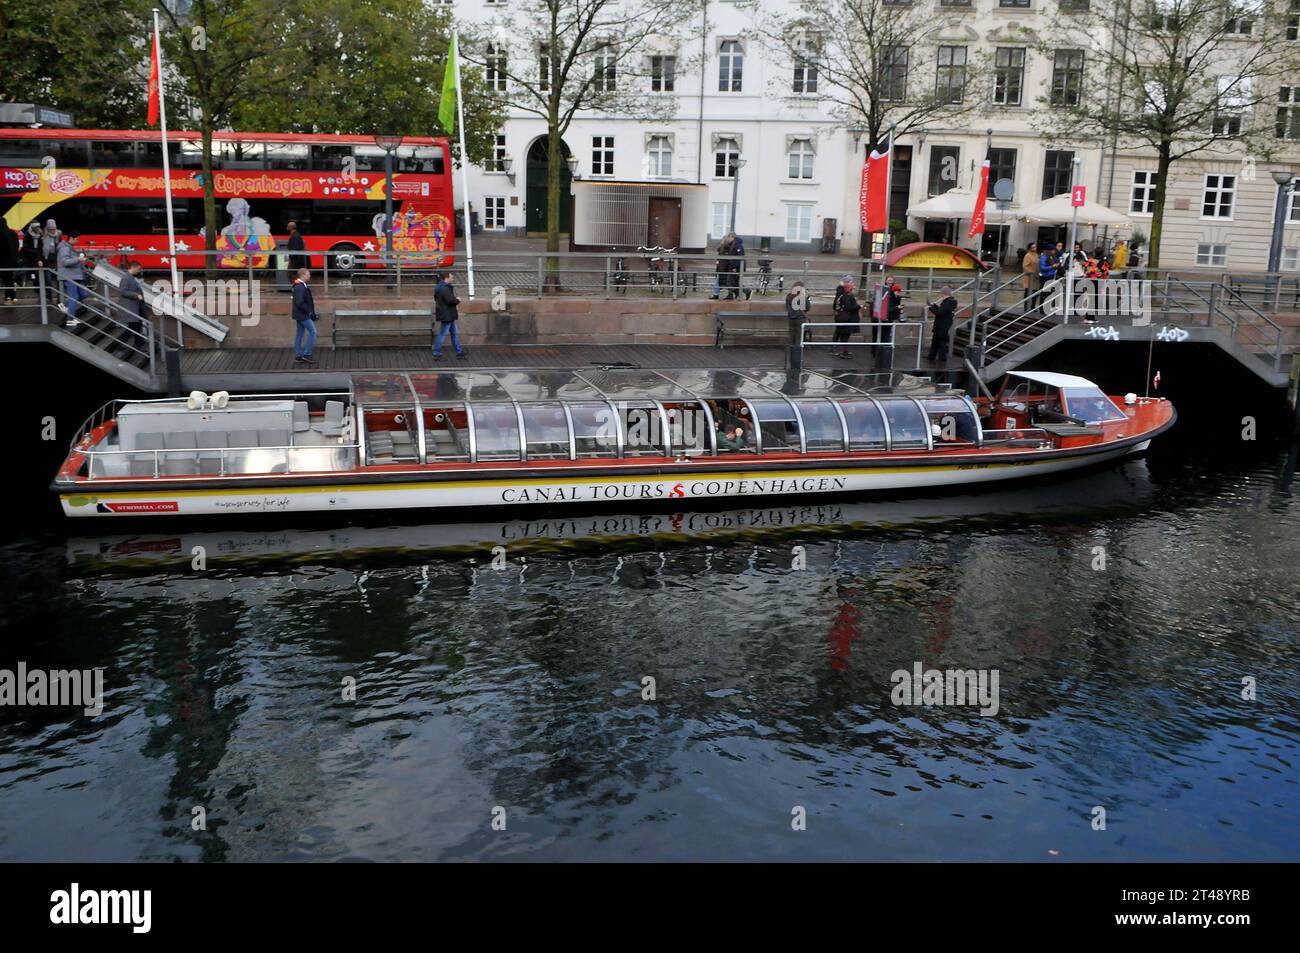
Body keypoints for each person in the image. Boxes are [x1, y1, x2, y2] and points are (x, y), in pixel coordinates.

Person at [55, 230, 88, 326]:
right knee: (74, 296)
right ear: (71, 238)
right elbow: (65, 262)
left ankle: (64, 304)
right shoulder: (64, 248)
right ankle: (70, 319)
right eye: (77, 239)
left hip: (75, 275)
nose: (78, 241)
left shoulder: (69, 247)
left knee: (83, 294)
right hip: (69, 276)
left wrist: (80, 260)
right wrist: (78, 259)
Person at [433, 271, 466, 359]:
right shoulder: (445, 288)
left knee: (454, 333)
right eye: (451, 277)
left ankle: (459, 351)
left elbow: (437, 299)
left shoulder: (439, 287)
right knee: (443, 334)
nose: (453, 279)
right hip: (447, 314)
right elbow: (450, 301)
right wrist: (457, 299)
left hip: (448, 314)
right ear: (446, 278)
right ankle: (437, 352)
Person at [291, 267, 317, 364]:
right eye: (308, 274)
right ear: (303, 275)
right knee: (313, 332)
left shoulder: (300, 285)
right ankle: (307, 353)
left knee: (299, 334)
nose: (309, 276)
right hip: (303, 315)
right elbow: (300, 302)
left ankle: (298, 355)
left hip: (299, 314)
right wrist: (309, 312)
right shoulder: (300, 287)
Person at [118, 260, 147, 342]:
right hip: (131, 307)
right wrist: (136, 295)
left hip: (135, 307)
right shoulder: (126, 278)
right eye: (138, 269)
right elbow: (123, 291)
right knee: (134, 327)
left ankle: (138, 344)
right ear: (133, 267)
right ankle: (121, 342)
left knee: (137, 326)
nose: (139, 270)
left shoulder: (131, 277)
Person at [832, 277, 860, 359]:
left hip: (842, 316)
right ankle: (838, 350)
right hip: (844, 317)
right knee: (841, 333)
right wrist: (858, 306)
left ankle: (842, 350)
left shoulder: (843, 293)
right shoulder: (844, 294)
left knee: (842, 333)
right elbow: (848, 306)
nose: (853, 284)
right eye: (851, 283)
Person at [927, 286, 957, 364]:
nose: (941, 295)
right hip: (941, 326)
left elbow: (939, 312)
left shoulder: (947, 302)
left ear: (944, 293)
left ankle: (942, 359)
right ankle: (931, 356)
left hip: (942, 326)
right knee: (935, 342)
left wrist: (931, 307)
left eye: (942, 293)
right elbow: (942, 310)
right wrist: (934, 306)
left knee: (941, 343)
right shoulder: (949, 302)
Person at [785, 280, 810, 370]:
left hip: (791, 319)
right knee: (799, 339)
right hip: (800, 319)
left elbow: (787, 307)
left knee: (791, 337)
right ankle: (797, 360)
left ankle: (790, 358)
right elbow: (807, 308)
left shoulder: (789, 297)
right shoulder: (802, 298)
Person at [710, 234, 733, 299]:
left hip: (723, 269)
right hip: (721, 268)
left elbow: (724, 261)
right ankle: (717, 294)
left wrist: (720, 268)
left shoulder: (725, 249)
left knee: (726, 282)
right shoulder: (722, 248)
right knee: (723, 282)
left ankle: (716, 294)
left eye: (722, 239)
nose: (721, 241)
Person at [0, 225, 19, 304]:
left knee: (7, 280)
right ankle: (9, 296)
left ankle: (11, 297)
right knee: (8, 279)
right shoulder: (12, 232)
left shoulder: (1, 233)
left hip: (3, 261)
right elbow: (17, 244)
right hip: (12, 260)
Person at [1021, 243, 1039, 310]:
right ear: (1030, 248)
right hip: (1029, 277)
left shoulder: (1036, 255)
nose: (1034, 248)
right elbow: (1024, 266)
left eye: (1035, 247)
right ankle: (1026, 307)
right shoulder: (1027, 256)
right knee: (1028, 292)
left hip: (1036, 277)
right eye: (1033, 247)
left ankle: (1032, 306)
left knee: (1035, 292)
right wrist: (1031, 272)